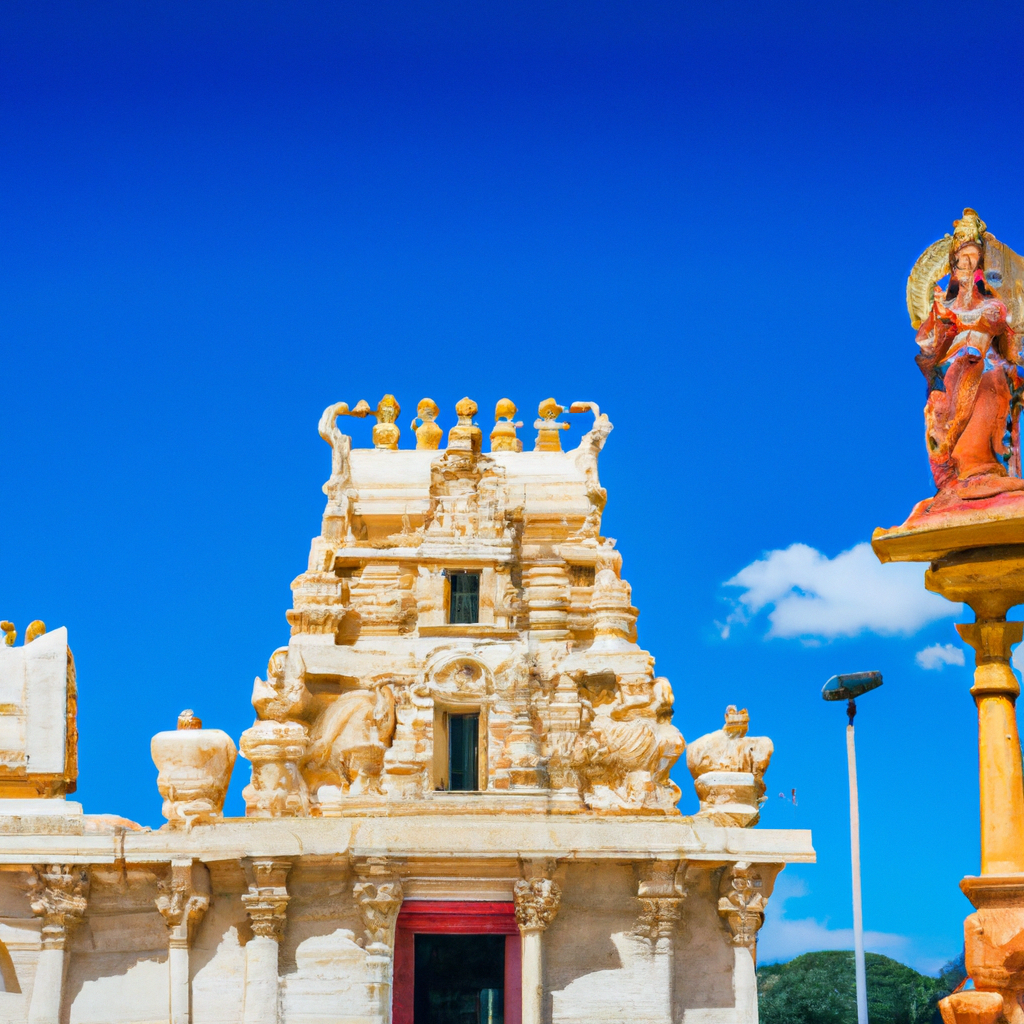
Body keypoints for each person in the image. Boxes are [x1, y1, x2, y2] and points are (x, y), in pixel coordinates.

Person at [915, 211, 1024, 500]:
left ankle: (987, 472)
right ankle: (959, 477)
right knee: (950, 402)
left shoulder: (993, 306)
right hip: (954, 375)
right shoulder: (942, 306)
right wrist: (943, 322)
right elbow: (930, 351)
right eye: (963, 257)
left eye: (974, 257)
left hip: (989, 377)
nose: (968, 263)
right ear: (953, 260)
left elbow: (1010, 347)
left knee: (993, 381)